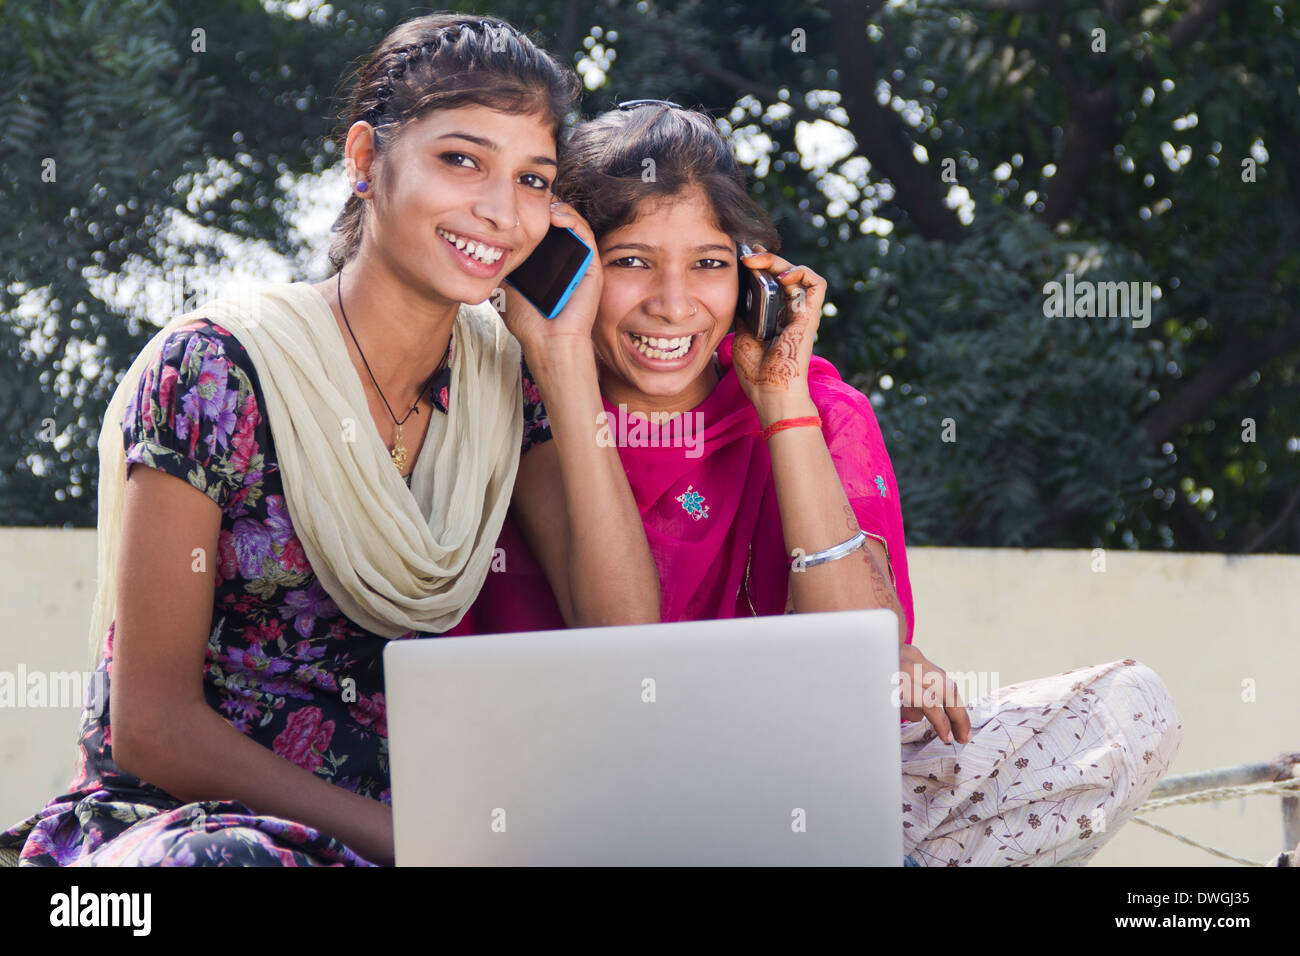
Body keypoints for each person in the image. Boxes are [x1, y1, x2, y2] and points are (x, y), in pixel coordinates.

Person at [0, 13, 658, 869]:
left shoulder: (508, 387)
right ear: (363, 161)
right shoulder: (217, 369)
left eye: (533, 179)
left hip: (423, 820)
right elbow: (150, 725)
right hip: (194, 827)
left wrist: (567, 360)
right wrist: (405, 842)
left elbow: (628, 643)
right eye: (461, 159)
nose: (500, 210)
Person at [472, 101, 1184, 866]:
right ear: (572, 270)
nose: (673, 303)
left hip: (786, 791)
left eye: (709, 264)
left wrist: (781, 406)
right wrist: (566, 354)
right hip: (581, 800)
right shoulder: (523, 405)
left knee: (1126, 711)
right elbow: (625, 658)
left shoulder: (816, 403)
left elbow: (865, 653)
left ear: (752, 280)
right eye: (631, 261)